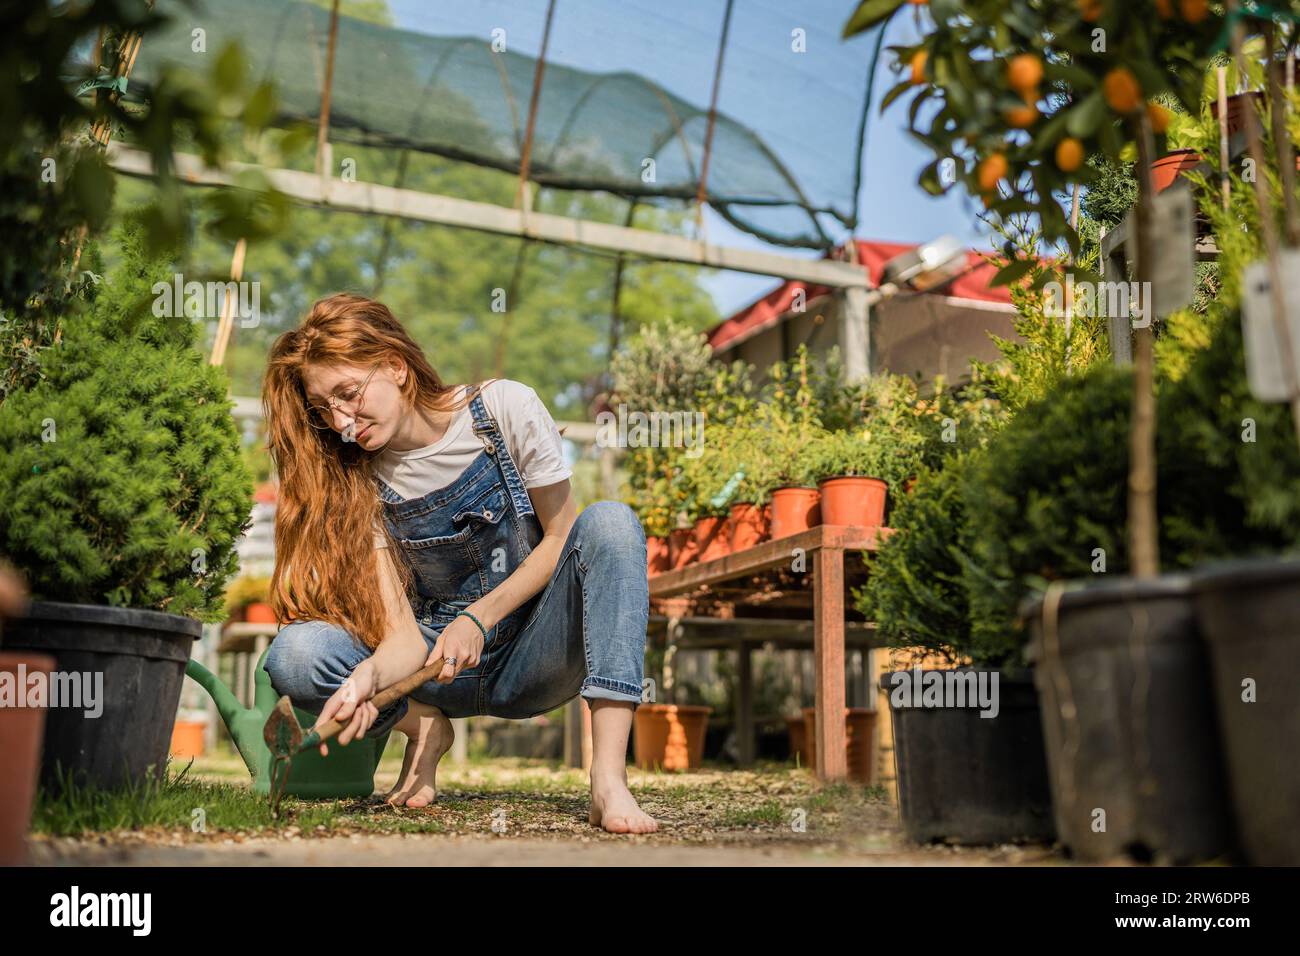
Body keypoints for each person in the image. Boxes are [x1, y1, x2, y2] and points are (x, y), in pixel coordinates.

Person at [259, 293, 656, 834]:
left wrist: (479, 617)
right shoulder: (358, 481)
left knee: (611, 523)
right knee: (297, 655)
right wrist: (369, 677)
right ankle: (424, 729)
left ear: (396, 366)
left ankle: (609, 779)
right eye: (324, 410)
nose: (342, 422)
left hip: (532, 658)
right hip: (432, 675)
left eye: (348, 395)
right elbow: (401, 637)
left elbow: (564, 536)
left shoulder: (503, 411)